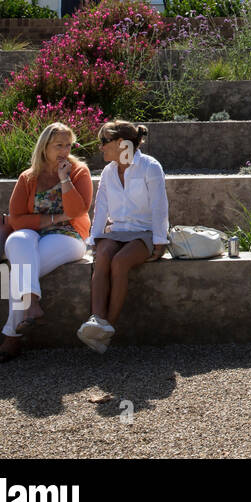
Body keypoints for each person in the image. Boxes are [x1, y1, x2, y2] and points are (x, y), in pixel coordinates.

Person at [0, 123, 93, 365]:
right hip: (32, 234)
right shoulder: (28, 177)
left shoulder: (78, 172)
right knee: (16, 238)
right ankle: (32, 303)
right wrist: (52, 218)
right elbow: (15, 220)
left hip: (69, 236)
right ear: (45, 147)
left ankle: (11, 338)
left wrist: (65, 180)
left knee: (22, 270)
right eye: (59, 145)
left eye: (68, 145)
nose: (65, 151)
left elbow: (78, 211)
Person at [77, 120, 169, 353]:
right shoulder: (108, 172)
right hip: (117, 231)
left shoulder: (150, 167)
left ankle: (108, 328)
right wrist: (95, 238)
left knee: (120, 262)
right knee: (104, 256)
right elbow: (101, 207)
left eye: (104, 142)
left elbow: (159, 207)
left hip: (145, 233)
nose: (101, 147)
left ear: (121, 143)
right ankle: (97, 319)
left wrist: (160, 241)